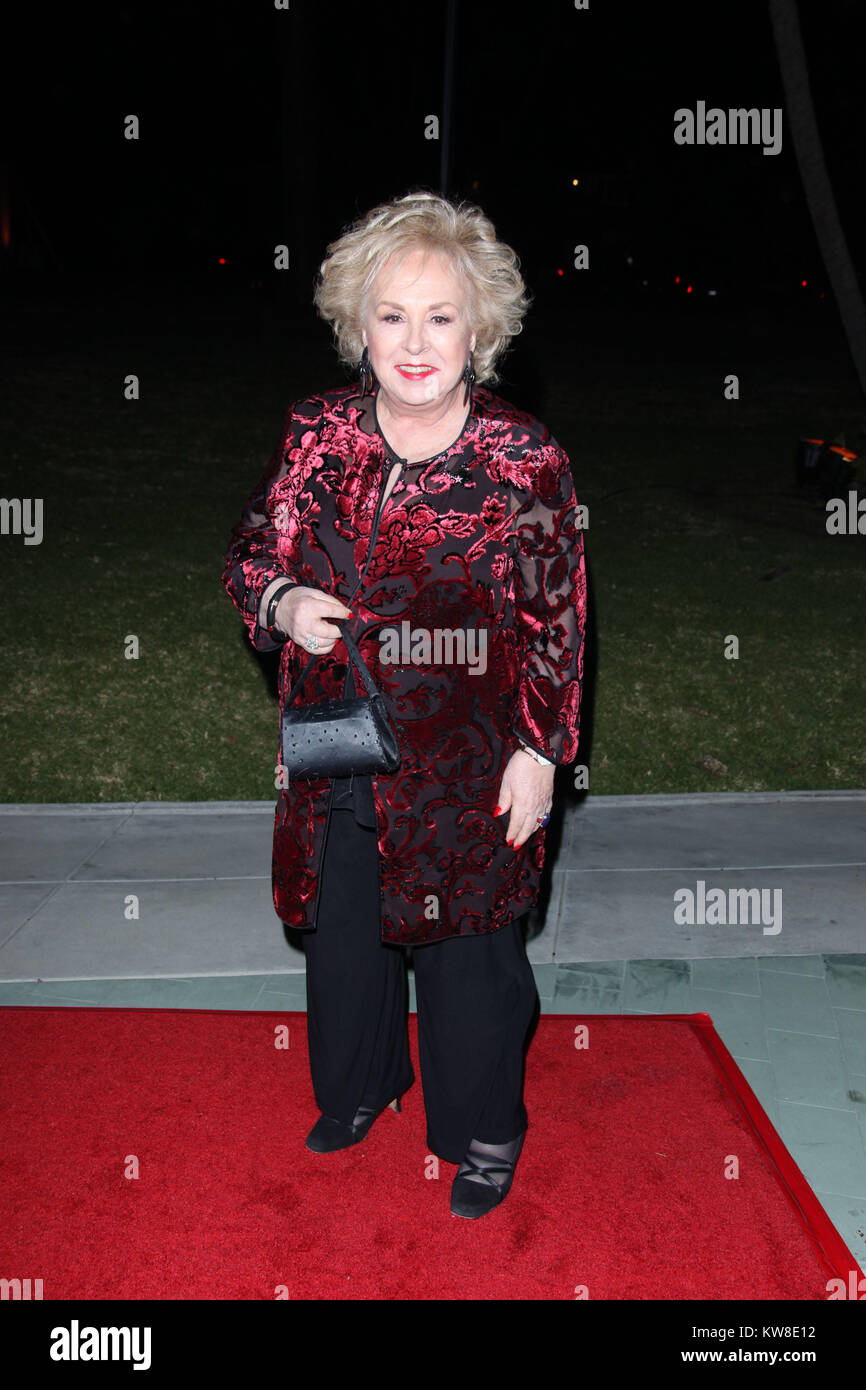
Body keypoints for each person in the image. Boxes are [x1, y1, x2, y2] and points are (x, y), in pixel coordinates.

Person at [222, 191, 587, 1219]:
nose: (414, 342)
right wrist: (283, 599)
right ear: (358, 326)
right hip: (342, 739)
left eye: (439, 316)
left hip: (472, 757)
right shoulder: (315, 436)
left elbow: (557, 622)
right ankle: (359, 1084)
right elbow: (250, 555)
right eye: (391, 314)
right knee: (344, 932)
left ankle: (484, 1128)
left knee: (468, 953)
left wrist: (539, 754)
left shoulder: (526, 462)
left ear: (478, 329)